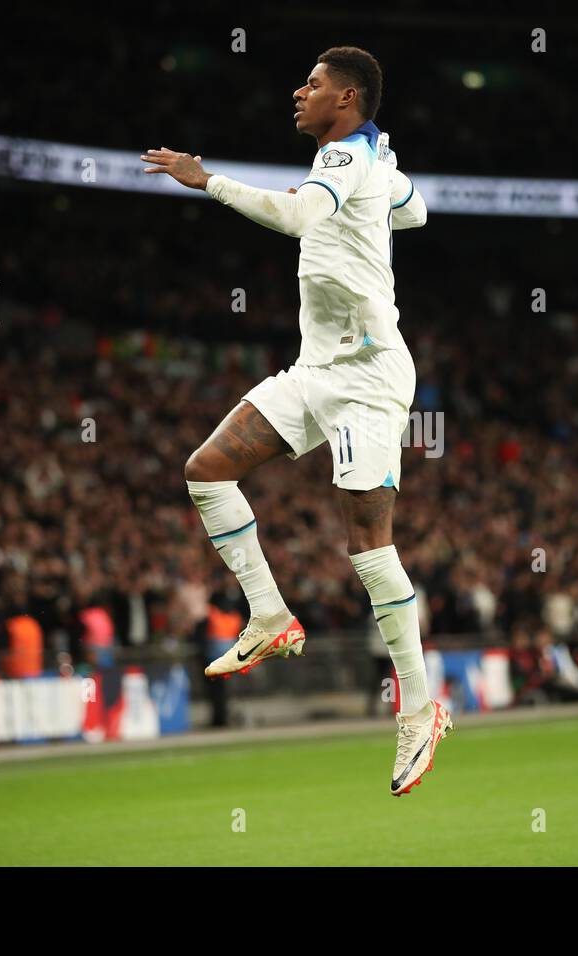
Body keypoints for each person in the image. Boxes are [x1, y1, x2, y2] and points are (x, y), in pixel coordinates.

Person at [140, 46, 448, 796]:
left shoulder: (343, 156)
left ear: (346, 99)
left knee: (367, 544)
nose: (297, 92)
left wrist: (205, 179)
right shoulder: (363, 155)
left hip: (369, 378)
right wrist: (381, 174)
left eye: (311, 85)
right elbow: (418, 208)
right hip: (316, 370)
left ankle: (418, 707)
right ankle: (271, 615)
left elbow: (298, 214)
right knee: (206, 469)